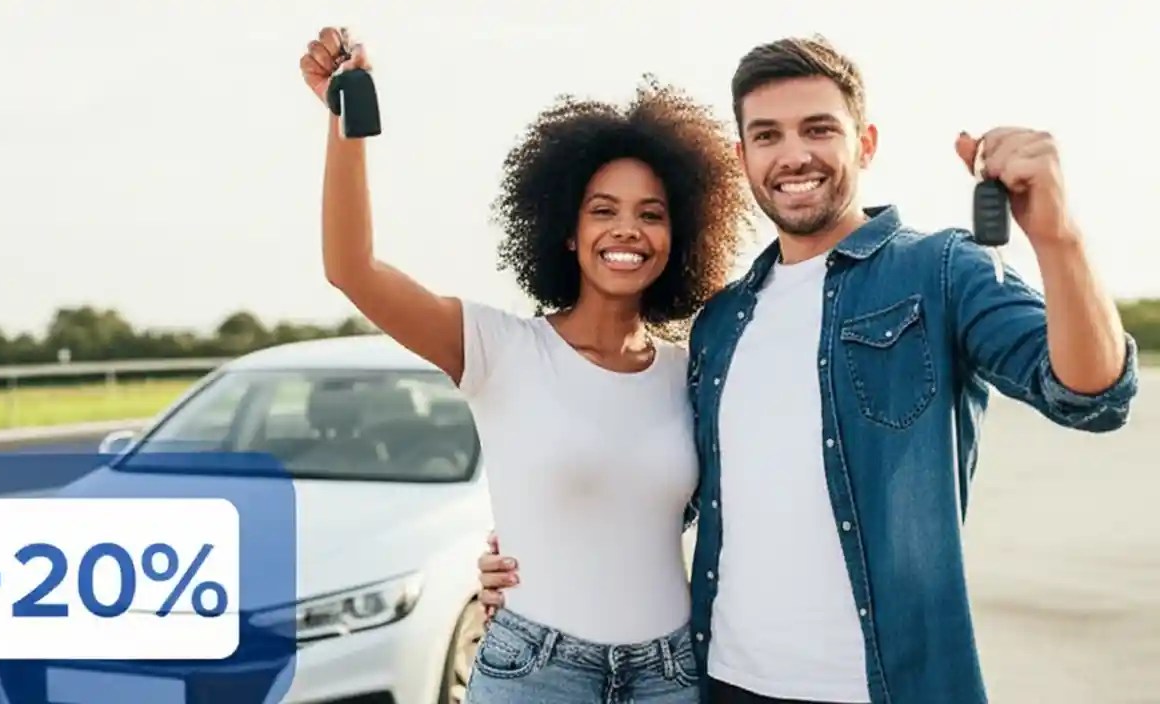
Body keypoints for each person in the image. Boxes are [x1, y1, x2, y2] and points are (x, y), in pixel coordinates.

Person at [476, 35, 1140, 704]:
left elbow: (1091, 395)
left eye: (818, 129)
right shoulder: (720, 324)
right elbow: (671, 496)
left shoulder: (940, 272)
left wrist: (1059, 236)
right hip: (723, 681)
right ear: (742, 159)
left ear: (866, 143)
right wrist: (537, 558)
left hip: (883, 688)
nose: (793, 155)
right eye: (767, 135)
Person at [299, 26, 753, 703]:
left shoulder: (690, 372)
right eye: (604, 211)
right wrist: (346, 123)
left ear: (677, 236)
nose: (627, 229)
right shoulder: (496, 349)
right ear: (567, 233)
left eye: (651, 214)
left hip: (670, 676)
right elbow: (352, 269)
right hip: (539, 674)